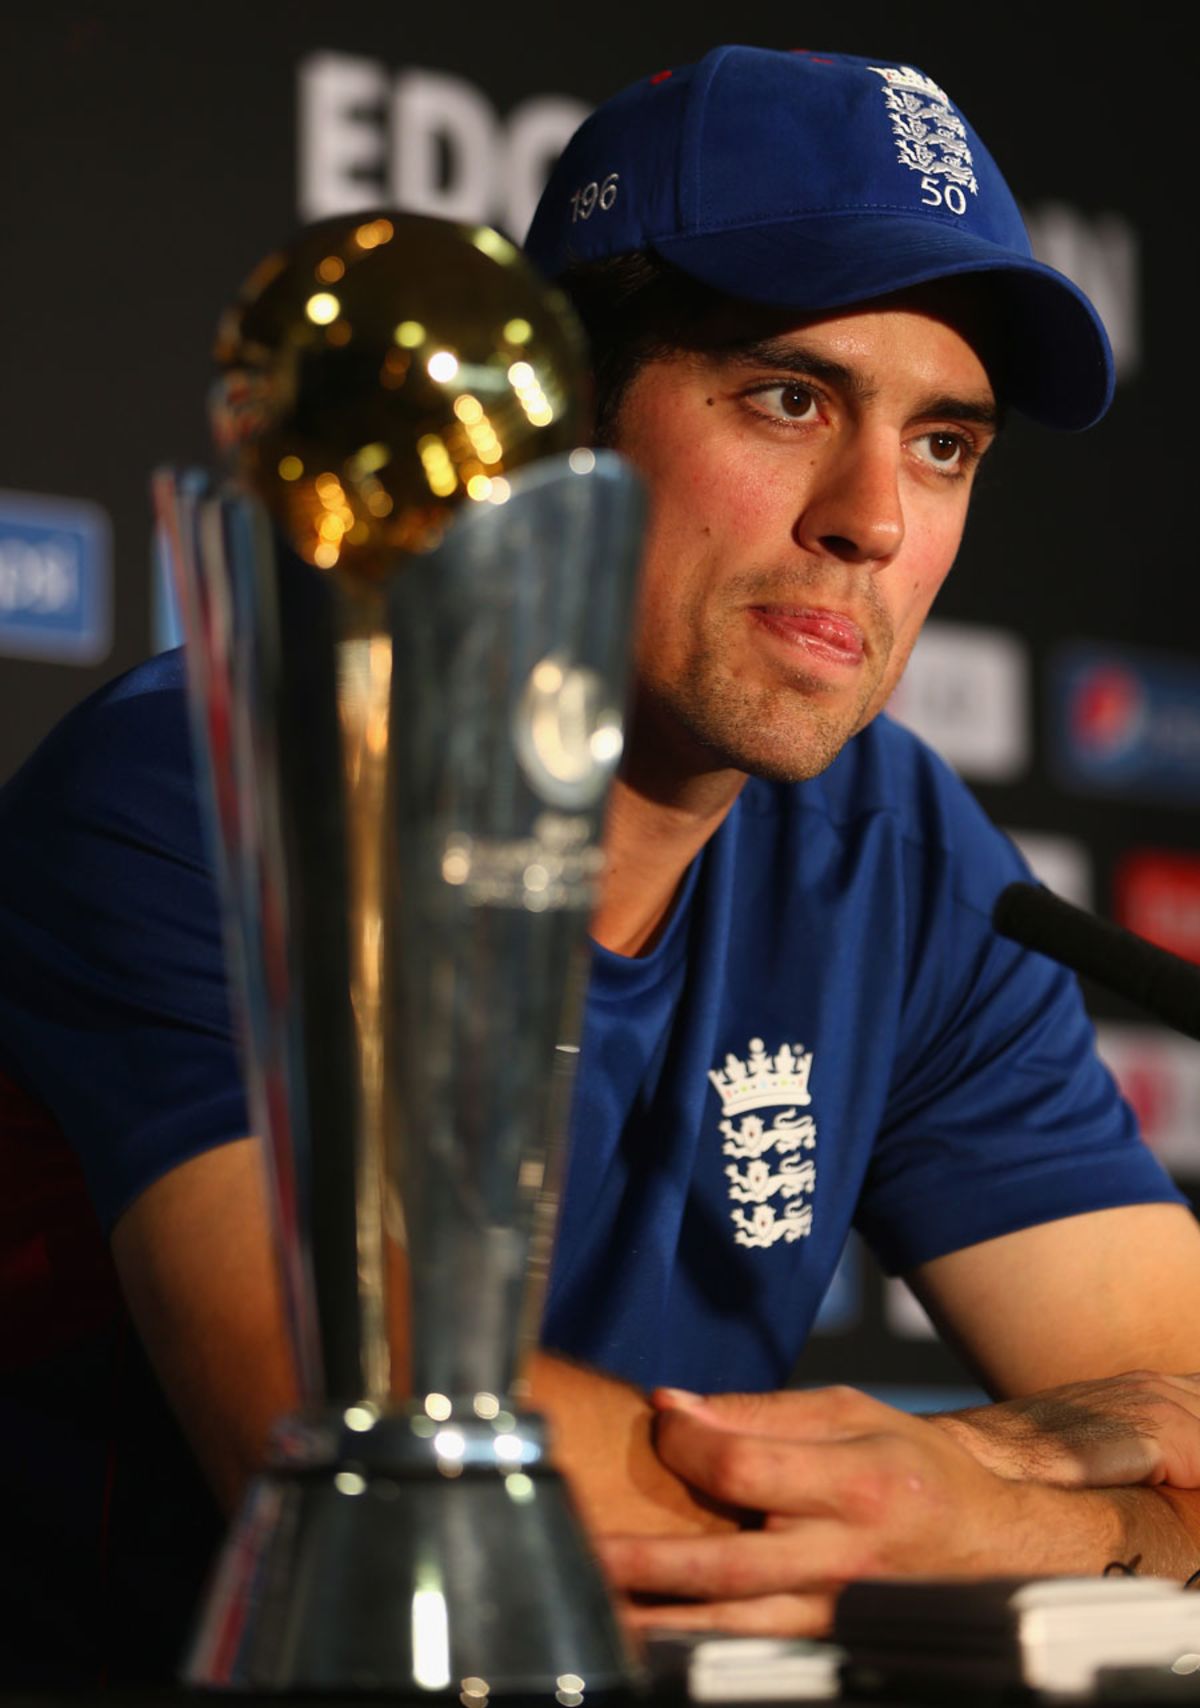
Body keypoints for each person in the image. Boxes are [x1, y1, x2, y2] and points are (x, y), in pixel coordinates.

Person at [2, 42, 1199, 1683]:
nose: (874, 520)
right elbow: (404, 1469)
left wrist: (1001, 1510)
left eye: (946, 446)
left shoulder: (905, 854)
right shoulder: (218, 790)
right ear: (560, 427)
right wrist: (961, 1489)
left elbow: (1182, 1404)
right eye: (789, 397)